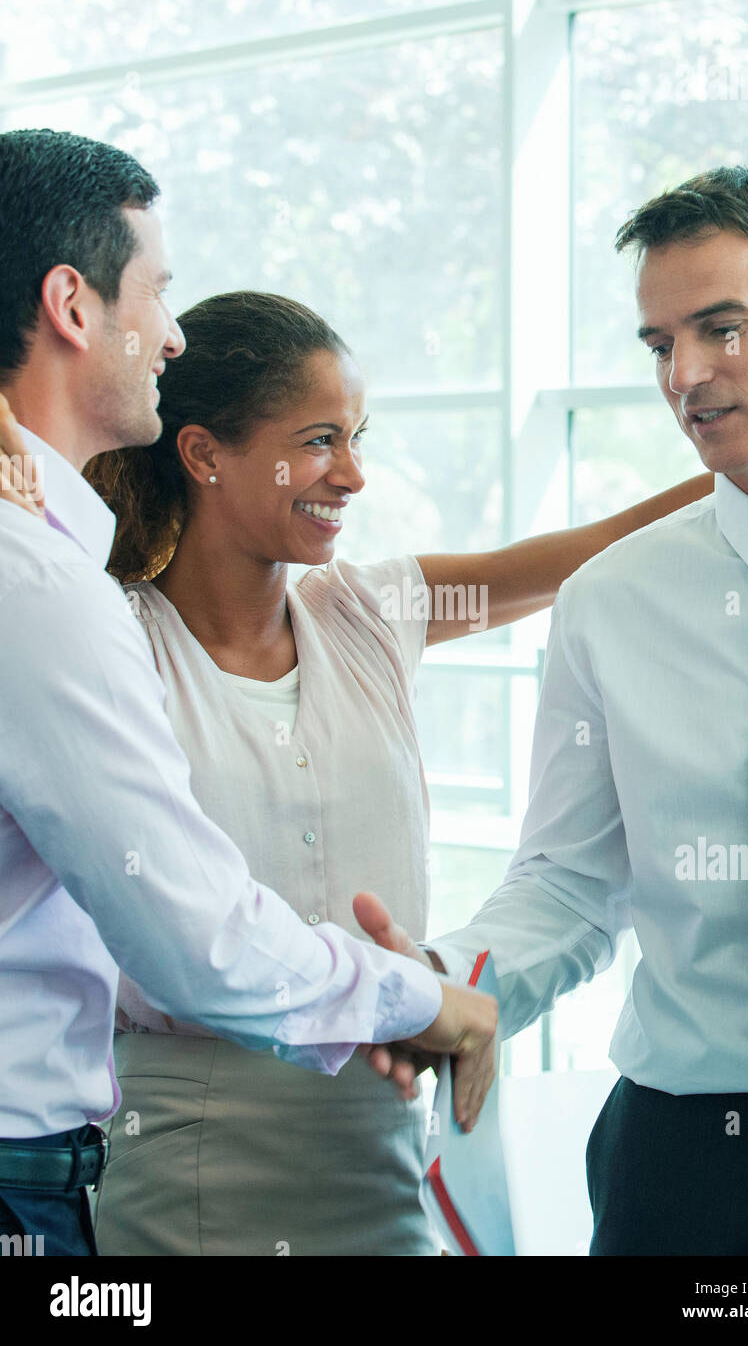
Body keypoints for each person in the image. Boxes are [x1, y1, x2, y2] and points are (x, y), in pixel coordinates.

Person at [33, 276, 705, 1257]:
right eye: (318, 440)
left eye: (358, 438)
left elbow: (598, 549)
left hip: (391, 1141)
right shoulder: (112, 644)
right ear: (204, 453)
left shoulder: (376, 613)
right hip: (194, 1166)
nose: (352, 474)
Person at [0, 127, 497, 1259]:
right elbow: (200, 938)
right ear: (73, 307)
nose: (172, 333)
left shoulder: (41, 560)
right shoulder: (43, 588)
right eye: (157, 293)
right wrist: (426, 998)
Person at [360, 165, 748, 1256]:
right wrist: (449, 980)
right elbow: (572, 885)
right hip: (679, 1167)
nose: (686, 374)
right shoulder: (610, 603)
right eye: (658, 345)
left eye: (721, 329)